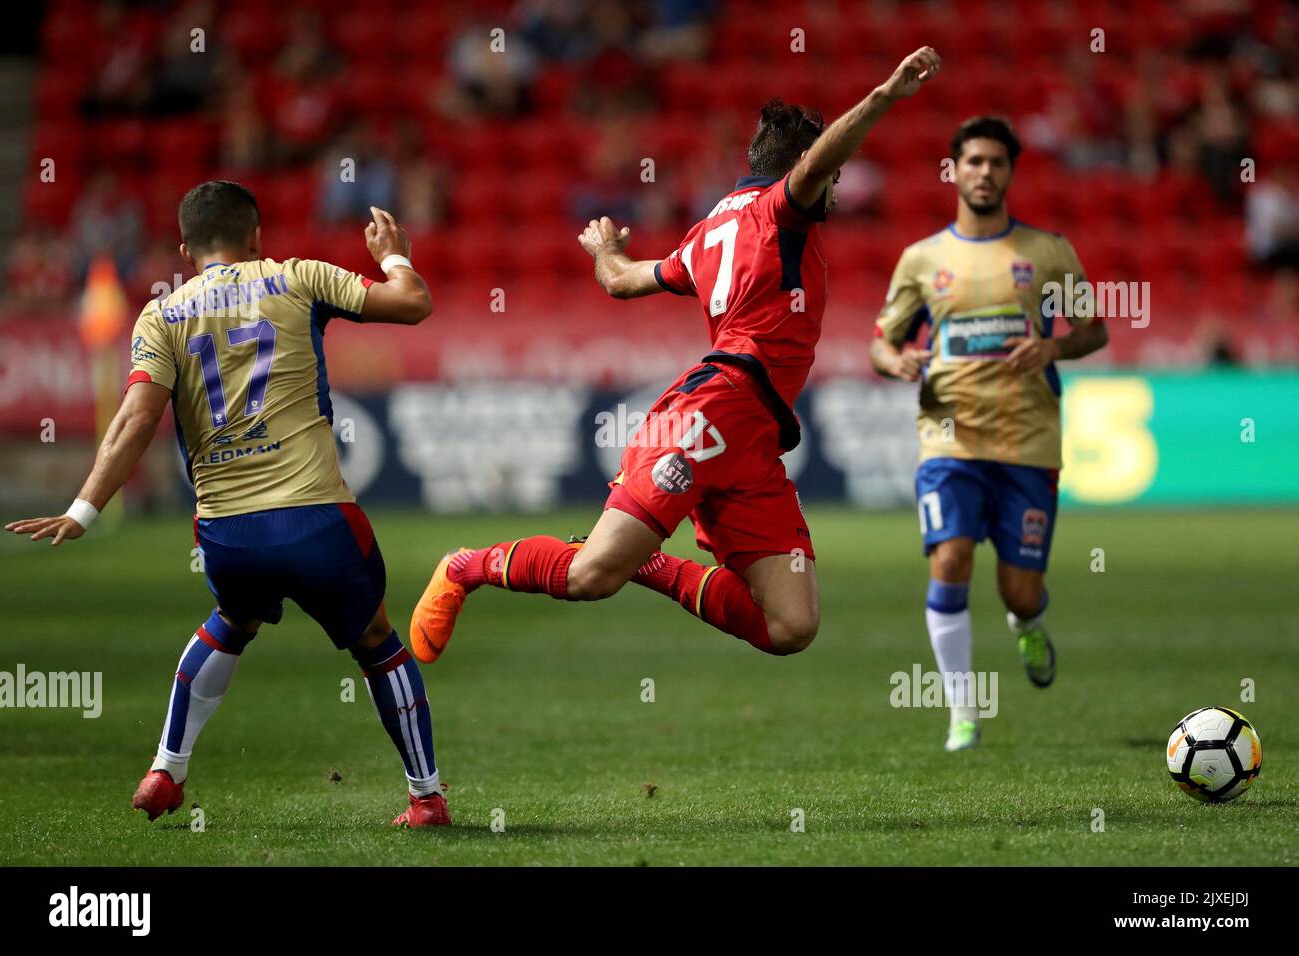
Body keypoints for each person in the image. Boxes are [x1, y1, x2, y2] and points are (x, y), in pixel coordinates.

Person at [409, 49, 943, 670]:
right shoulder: (780, 211)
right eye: (826, 177)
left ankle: (655, 564)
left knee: (791, 624)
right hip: (711, 411)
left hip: (754, 436)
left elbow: (622, 280)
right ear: (800, 168)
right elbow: (825, 159)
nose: (833, 190)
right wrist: (886, 93)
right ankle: (465, 567)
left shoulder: (705, 232)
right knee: (592, 575)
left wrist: (603, 249)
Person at [5, 183, 448, 827]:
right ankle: (426, 796)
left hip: (228, 533)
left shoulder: (162, 316)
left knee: (231, 622)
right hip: (317, 517)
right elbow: (412, 304)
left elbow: (135, 418)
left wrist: (83, 510)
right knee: (378, 640)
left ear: (186, 250)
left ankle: (166, 768)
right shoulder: (299, 277)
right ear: (257, 236)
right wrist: (395, 256)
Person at [870, 117, 1109, 751]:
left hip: (1029, 443)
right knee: (949, 558)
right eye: (973, 161)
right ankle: (963, 713)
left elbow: (1095, 329)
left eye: (996, 162)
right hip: (948, 437)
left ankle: (1027, 621)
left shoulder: (1047, 252)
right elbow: (881, 342)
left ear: (1010, 172)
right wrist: (895, 362)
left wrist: (1054, 346)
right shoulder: (922, 260)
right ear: (954, 170)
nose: (984, 172)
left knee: (1018, 587)